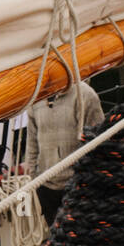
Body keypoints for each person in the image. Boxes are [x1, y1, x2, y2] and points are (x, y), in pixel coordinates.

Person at [24, 80, 104, 224]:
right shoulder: (36, 99)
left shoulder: (85, 95)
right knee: (57, 238)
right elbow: (32, 142)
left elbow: (98, 144)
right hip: (46, 185)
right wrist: (34, 177)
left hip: (77, 186)